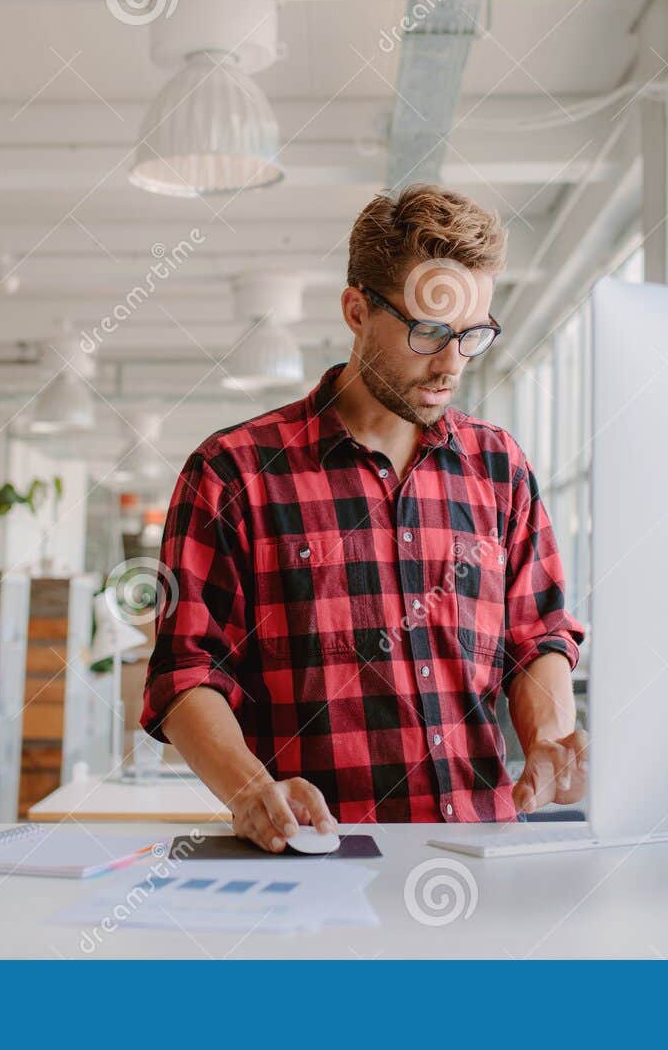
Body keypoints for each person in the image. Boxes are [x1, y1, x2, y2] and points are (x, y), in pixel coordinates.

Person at [141, 183, 586, 851]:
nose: (450, 364)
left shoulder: (499, 468)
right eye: (429, 331)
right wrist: (248, 787)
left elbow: (537, 636)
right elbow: (187, 672)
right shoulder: (232, 473)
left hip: (484, 857)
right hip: (316, 860)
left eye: (473, 336)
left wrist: (549, 739)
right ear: (357, 309)